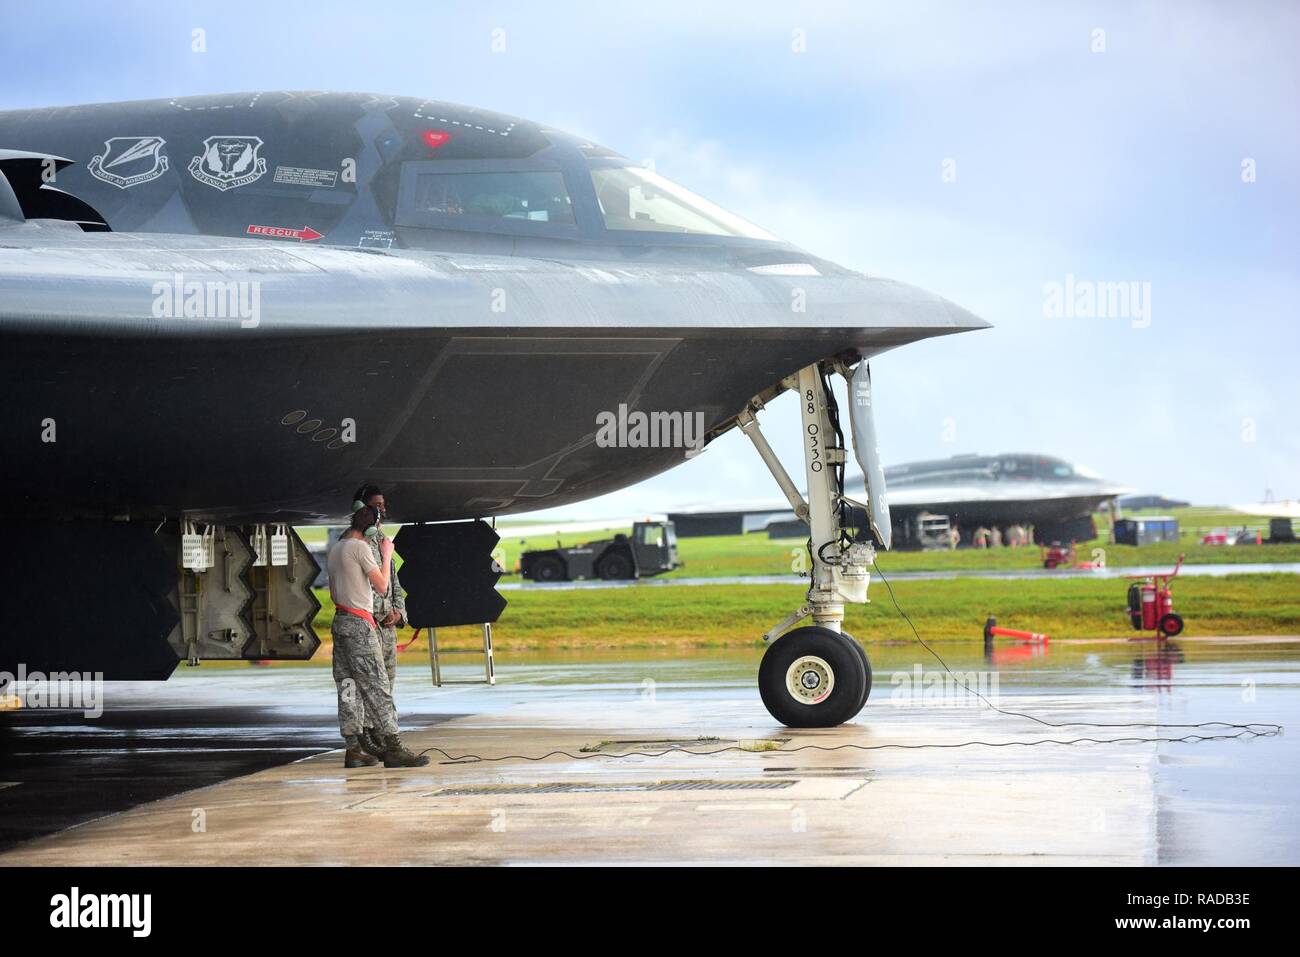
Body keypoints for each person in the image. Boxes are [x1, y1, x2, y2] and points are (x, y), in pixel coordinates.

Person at [327, 504, 428, 769]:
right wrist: (386, 554)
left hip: (340, 621)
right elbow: (382, 586)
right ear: (372, 527)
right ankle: (393, 747)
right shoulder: (360, 548)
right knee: (378, 685)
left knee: (348, 686)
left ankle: (354, 748)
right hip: (360, 624)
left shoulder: (337, 548)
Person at [354, 483, 407, 759]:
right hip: (369, 625)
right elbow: (358, 586)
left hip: (388, 628)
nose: (382, 510)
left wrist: (399, 613)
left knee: (388, 683)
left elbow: (394, 583)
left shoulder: (383, 540)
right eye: (376, 505)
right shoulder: (356, 544)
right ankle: (366, 735)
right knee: (370, 684)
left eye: (383, 504)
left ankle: (378, 732)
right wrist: (377, 614)